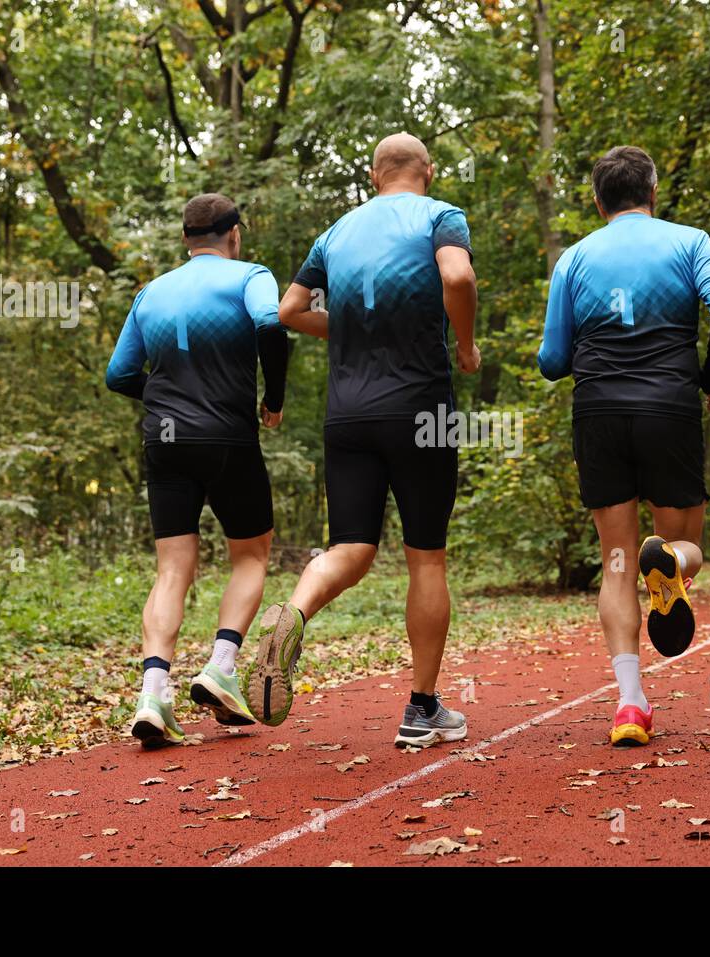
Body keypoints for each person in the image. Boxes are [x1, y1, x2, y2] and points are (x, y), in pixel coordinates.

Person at [255, 132, 480, 748]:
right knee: (425, 555)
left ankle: (293, 614)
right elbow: (457, 277)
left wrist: (351, 332)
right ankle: (422, 708)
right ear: (426, 171)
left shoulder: (336, 232)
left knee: (351, 549)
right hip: (421, 409)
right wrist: (463, 345)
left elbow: (289, 311)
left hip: (348, 414)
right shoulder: (440, 216)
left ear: (373, 174)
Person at [537, 146, 710, 747]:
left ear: (598, 201)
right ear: (652, 193)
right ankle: (673, 565)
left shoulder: (574, 258)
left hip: (598, 412)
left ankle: (630, 705)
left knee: (617, 562)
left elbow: (551, 362)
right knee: (684, 543)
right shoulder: (690, 242)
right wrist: (708, 377)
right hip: (669, 408)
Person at [105, 193, 289, 746]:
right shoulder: (249, 275)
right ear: (234, 234)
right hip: (228, 436)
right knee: (252, 553)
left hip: (164, 441)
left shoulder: (150, 292)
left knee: (171, 569)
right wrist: (272, 399)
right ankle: (221, 666)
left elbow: (119, 374)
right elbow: (270, 326)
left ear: (187, 239)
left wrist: (163, 397)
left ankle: (153, 693)